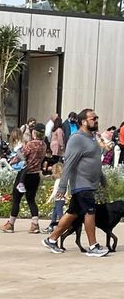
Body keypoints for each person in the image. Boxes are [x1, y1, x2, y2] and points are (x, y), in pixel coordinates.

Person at [43, 108, 109, 257]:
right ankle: (93, 246)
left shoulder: (92, 137)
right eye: (93, 118)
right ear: (84, 122)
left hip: (89, 183)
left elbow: (94, 161)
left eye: (97, 118)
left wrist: (102, 178)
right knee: (90, 212)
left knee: (72, 213)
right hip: (81, 184)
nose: (96, 121)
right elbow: (69, 164)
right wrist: (62, 187)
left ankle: (51, 239)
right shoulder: (76, 139)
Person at [0, 123, 47, 234]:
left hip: (25, 174)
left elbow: (22, 156)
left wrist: (11, 162)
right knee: (31, 200)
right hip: (35, 175)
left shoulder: (30, 144)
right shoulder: (44, 145)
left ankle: (10, 224)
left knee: (16, 199)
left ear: (34, 132)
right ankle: (35, 224)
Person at [44, 161, 65, 234]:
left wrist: (49, 199)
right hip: (60, 200)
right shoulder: (63, 180)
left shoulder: (58, 181)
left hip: (59, 199)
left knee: (59, 214)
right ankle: (51, 226)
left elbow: (54, 192)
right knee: (54, 214)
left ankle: (64, 226)